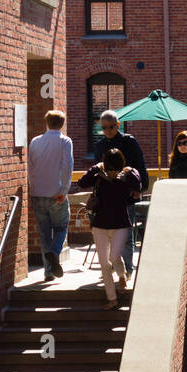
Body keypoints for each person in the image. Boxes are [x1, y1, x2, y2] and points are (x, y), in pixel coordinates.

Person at [78, 148, 141, 310]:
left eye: (116, 168)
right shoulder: (99, 176)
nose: (112, 172)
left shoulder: (126, 176)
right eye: (110, 168)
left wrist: (130, 170)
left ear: (121, 166)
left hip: (121, 224)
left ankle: (121, 275)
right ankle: (111, 298)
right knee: (104, 263)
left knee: (114, 256)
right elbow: (82, 182)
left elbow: (138, 185)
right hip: (100, 225)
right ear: (105, 165)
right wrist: (96, 168)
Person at [92, 110, 150, 275]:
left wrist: (140, 188)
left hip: (126, 194)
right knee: (108, 234)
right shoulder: (100, 145)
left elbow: (140, 165)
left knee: (125, 233)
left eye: (111, 127)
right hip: (106, 196)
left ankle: (128, 270)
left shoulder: (129, 141)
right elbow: (96, 170)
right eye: (104, 128)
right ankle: (117, 268)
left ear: (118, 125)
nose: (108, 130)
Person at [28, 109, 74, 281]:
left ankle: (48, 272)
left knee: (44, 233)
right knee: (61, 227)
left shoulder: (35, 141)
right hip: (56, 193)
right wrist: (64, 190)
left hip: (37, 193)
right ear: (62, 124)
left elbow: (30, 167)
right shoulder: (65, 141)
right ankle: (54, 253)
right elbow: (67, 167)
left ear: (47, 123)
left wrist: (33, 188)